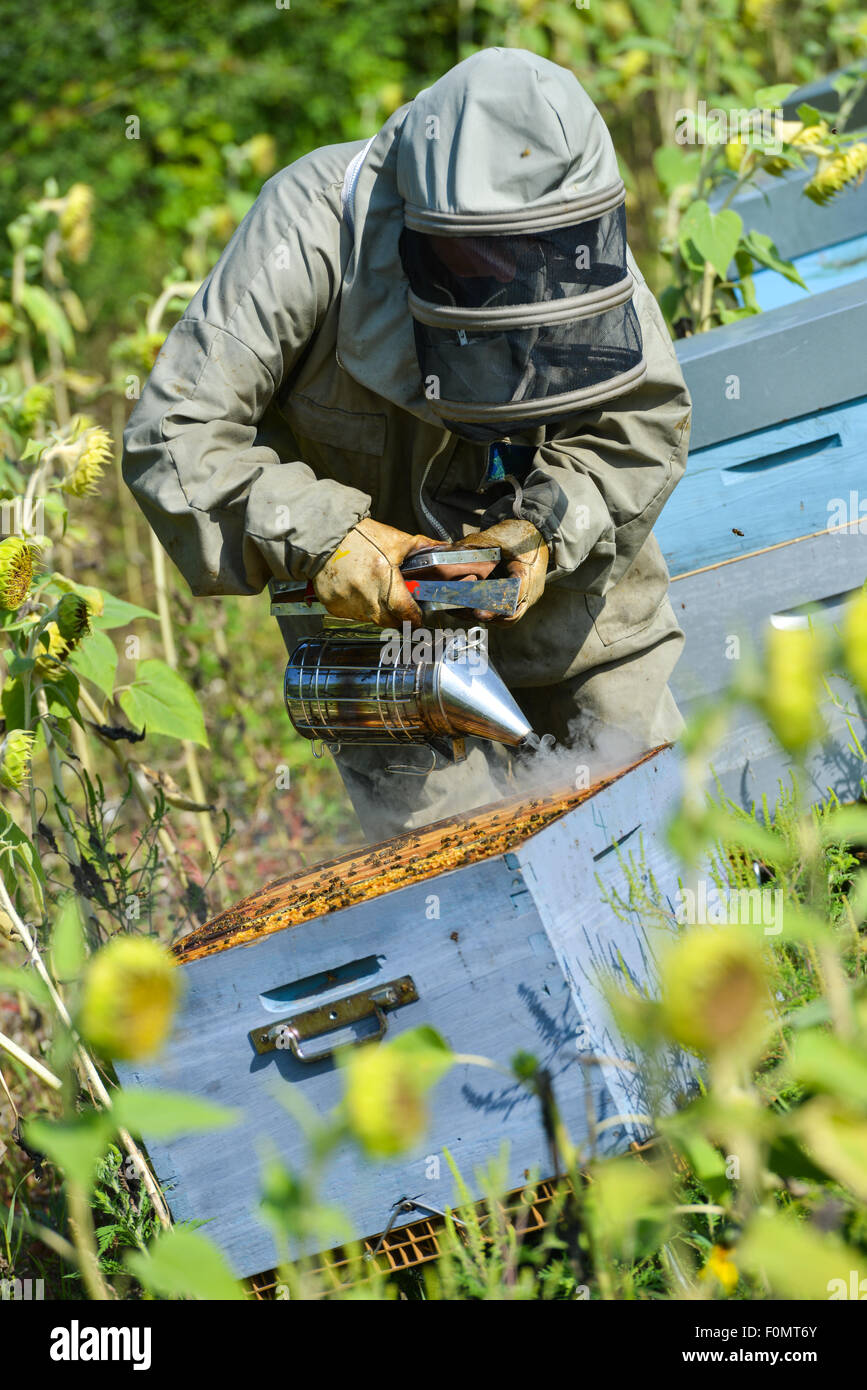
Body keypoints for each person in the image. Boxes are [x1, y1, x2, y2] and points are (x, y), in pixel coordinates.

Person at [123, 47, 692, 841]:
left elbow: (638, 420)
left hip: (576, 618)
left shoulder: (560, 221)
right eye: (482, 260)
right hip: (381, 657)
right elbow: (172, 434)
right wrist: (326, 538)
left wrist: (538, 536)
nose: (510, 273)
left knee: (649, 850)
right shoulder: (307, 232)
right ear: (419, 220)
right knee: (465, 898)